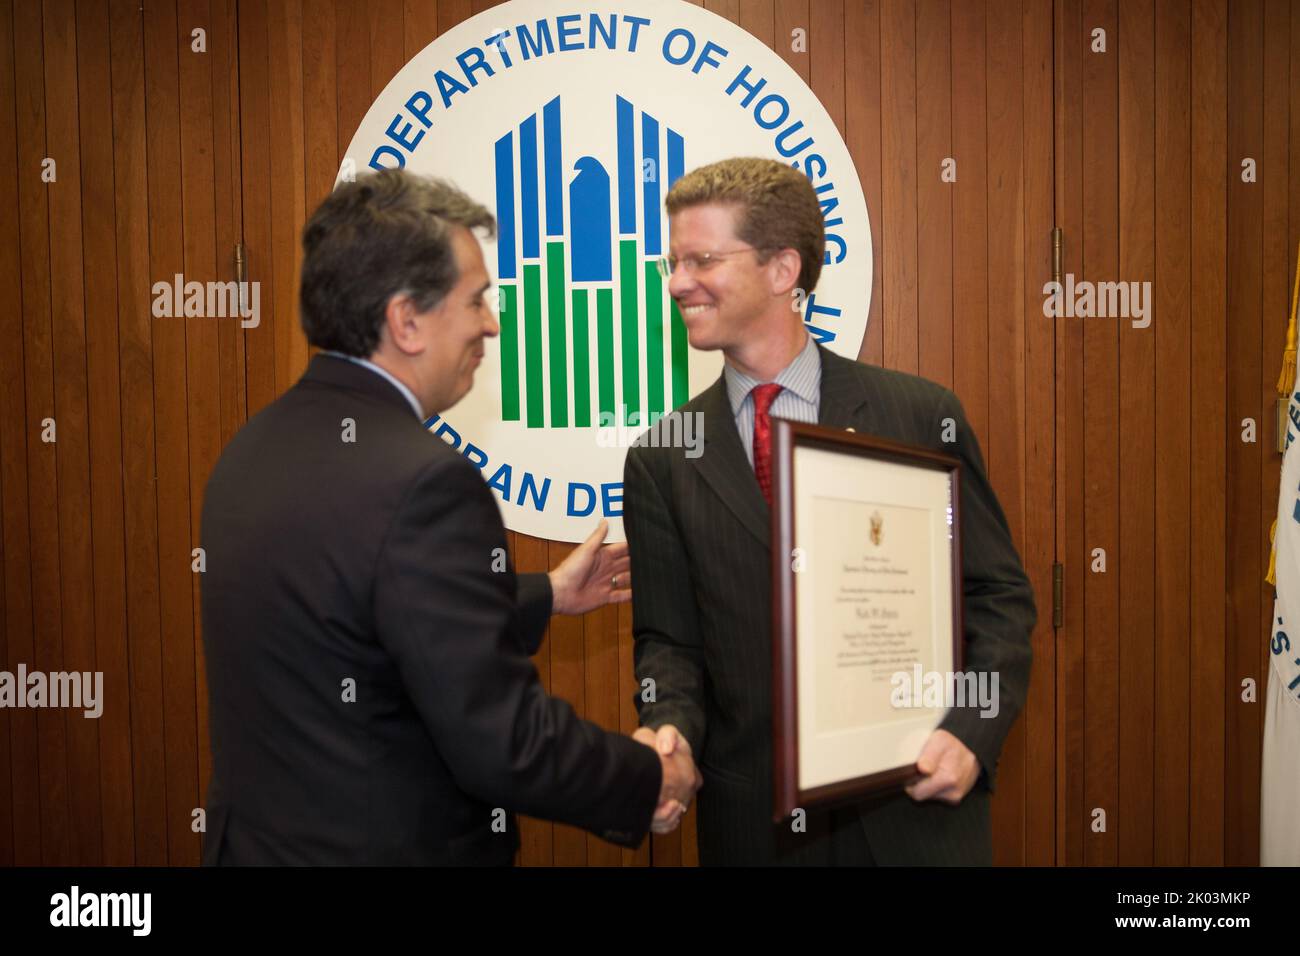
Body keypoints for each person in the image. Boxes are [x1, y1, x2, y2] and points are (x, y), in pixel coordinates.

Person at [199, 169, 699, 865]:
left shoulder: (254, 447)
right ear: (407, 321)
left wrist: (547, 594)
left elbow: (354, 611)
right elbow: (504, 742)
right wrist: (651, 778)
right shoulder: (425, 482)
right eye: (477, 300)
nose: (492, 323)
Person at [625, 157, 1035, 865]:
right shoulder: (663, 456)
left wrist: (972, 731)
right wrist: (670, 733)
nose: (677, 281)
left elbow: (997, 598)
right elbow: (670, 646)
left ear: (784, 270)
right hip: (756, 830)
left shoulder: (918, 415)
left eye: (702, 260)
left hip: (916, 818)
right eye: (672, 261)